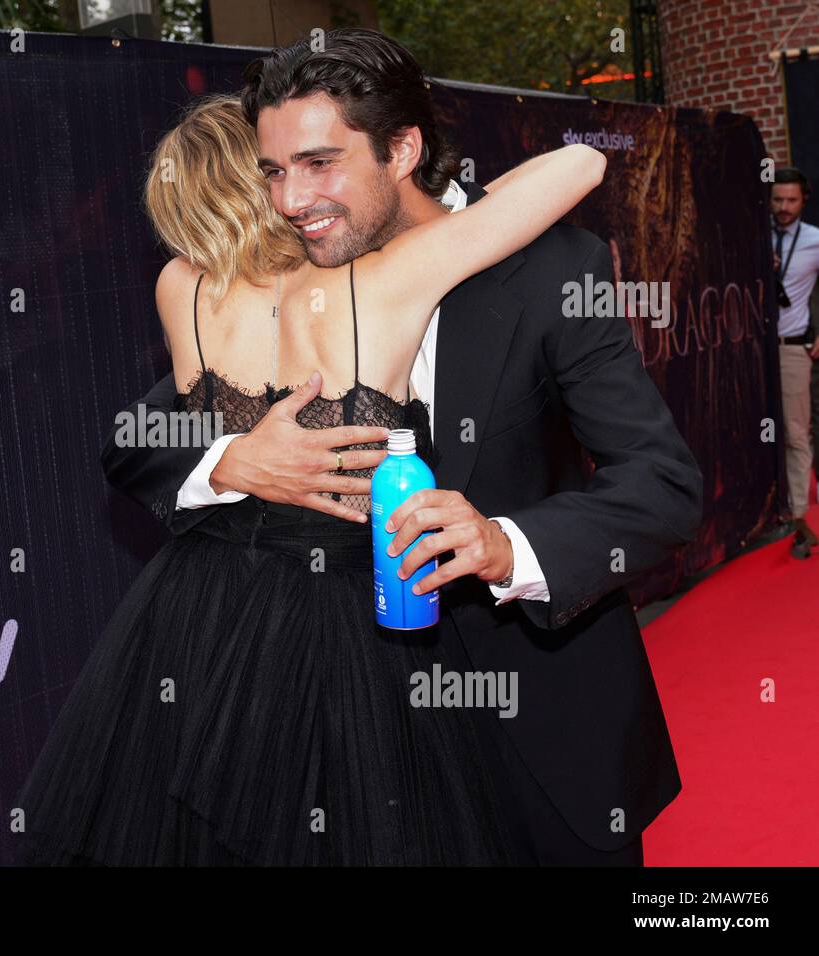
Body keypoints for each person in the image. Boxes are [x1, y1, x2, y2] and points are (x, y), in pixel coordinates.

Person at [101, 29, 704, 865]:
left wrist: (506, 546)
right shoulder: (270, 286)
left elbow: (663, 486)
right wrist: (226, 461)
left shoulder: (545, 267)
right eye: (271, 171)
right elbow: (137, 441)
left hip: (531, 723)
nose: (287, 200)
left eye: (320, 163)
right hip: (333, 735)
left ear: (403, 149)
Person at [12, 79, 605, 864]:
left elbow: (191, 424)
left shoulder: (178, 288)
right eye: (278, 169)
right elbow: (582, 168)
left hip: (201, 600)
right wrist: (441, 193)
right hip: (351, 607)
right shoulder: (385, 276)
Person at [769, 167, 819, 558]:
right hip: (749, 352)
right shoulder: (754, 236)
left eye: (791, 200)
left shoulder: (815, 241)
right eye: (777, 199)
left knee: (795, 433)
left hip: (790, 350)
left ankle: (801, 520)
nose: (783, 208)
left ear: (804, 201)